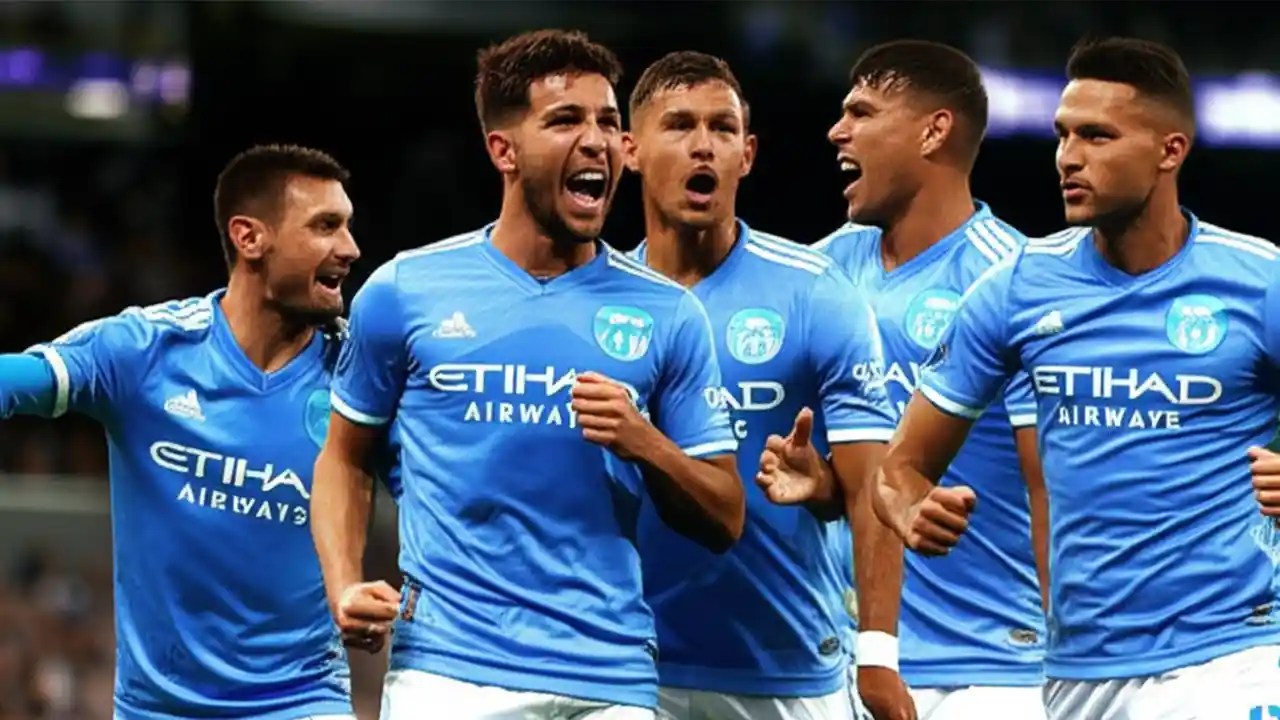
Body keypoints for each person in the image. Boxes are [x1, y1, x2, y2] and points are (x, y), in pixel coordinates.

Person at [310, 29, 745, 719]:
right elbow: (343, 457)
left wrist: (644, 442)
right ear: (502, 150)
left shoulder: (669, 313)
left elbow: (725, 514)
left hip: (611, 678)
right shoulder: (404, 291)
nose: (598, 140)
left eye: (608, 121)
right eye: (566, 120)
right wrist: (344, 583)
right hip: (447, 674)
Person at [874, 37, 1280, 720]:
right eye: (1063, 135)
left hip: (1233, 657)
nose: (1067, 156)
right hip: (1078, 672)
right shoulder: (1018, 289)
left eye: (1097, 136)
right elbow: (901, 466)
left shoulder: (1257, 282)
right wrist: (911, 505)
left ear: (1169, 151)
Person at [0, 144, 363, 719]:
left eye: (346, 226)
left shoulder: (361, 371)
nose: (350, 248)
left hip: (300, 701)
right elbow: (18, 379)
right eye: (326, 226)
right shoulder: (146, 350)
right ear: (250, 238)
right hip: (158, 708)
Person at [761, 40, 1050, 720]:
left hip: (995, 670)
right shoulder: (817, 276)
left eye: (861, 112)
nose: (837, 131)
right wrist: (826, 483)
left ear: (934, 130)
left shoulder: (1017, 282)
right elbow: (857, 478)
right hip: (847, 663)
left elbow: (1060, 486)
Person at [622, 50, 898, 720]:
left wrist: (878, 655)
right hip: (627, 668)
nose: (702, 147)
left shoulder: (812, 289)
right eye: (679, 126)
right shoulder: (600, 302)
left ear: (746, 155)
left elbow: (873, 487)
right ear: (630, 150)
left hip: (787, 669)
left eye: (721, 129)